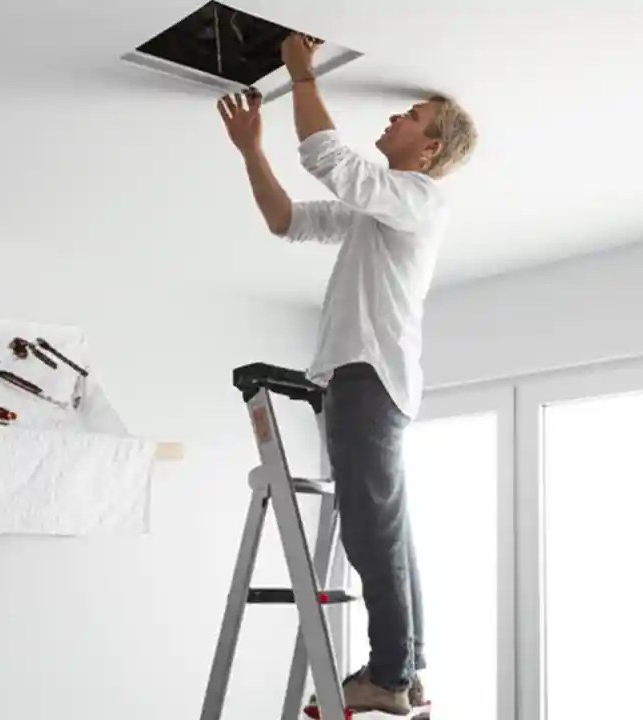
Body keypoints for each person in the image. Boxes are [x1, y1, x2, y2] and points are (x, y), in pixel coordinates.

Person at [216, 33, 477, 716]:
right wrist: (251, 152)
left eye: (411, 117)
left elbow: (328, 158)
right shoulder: (382, 210)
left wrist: (302, 76)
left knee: (371, 531)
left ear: (429, 151)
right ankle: (407, 669)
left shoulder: (419, 198)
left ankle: (388, 675)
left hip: (366, 375)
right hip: (367, 378)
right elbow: (287, 221)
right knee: (388, 531)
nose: (395, 117)